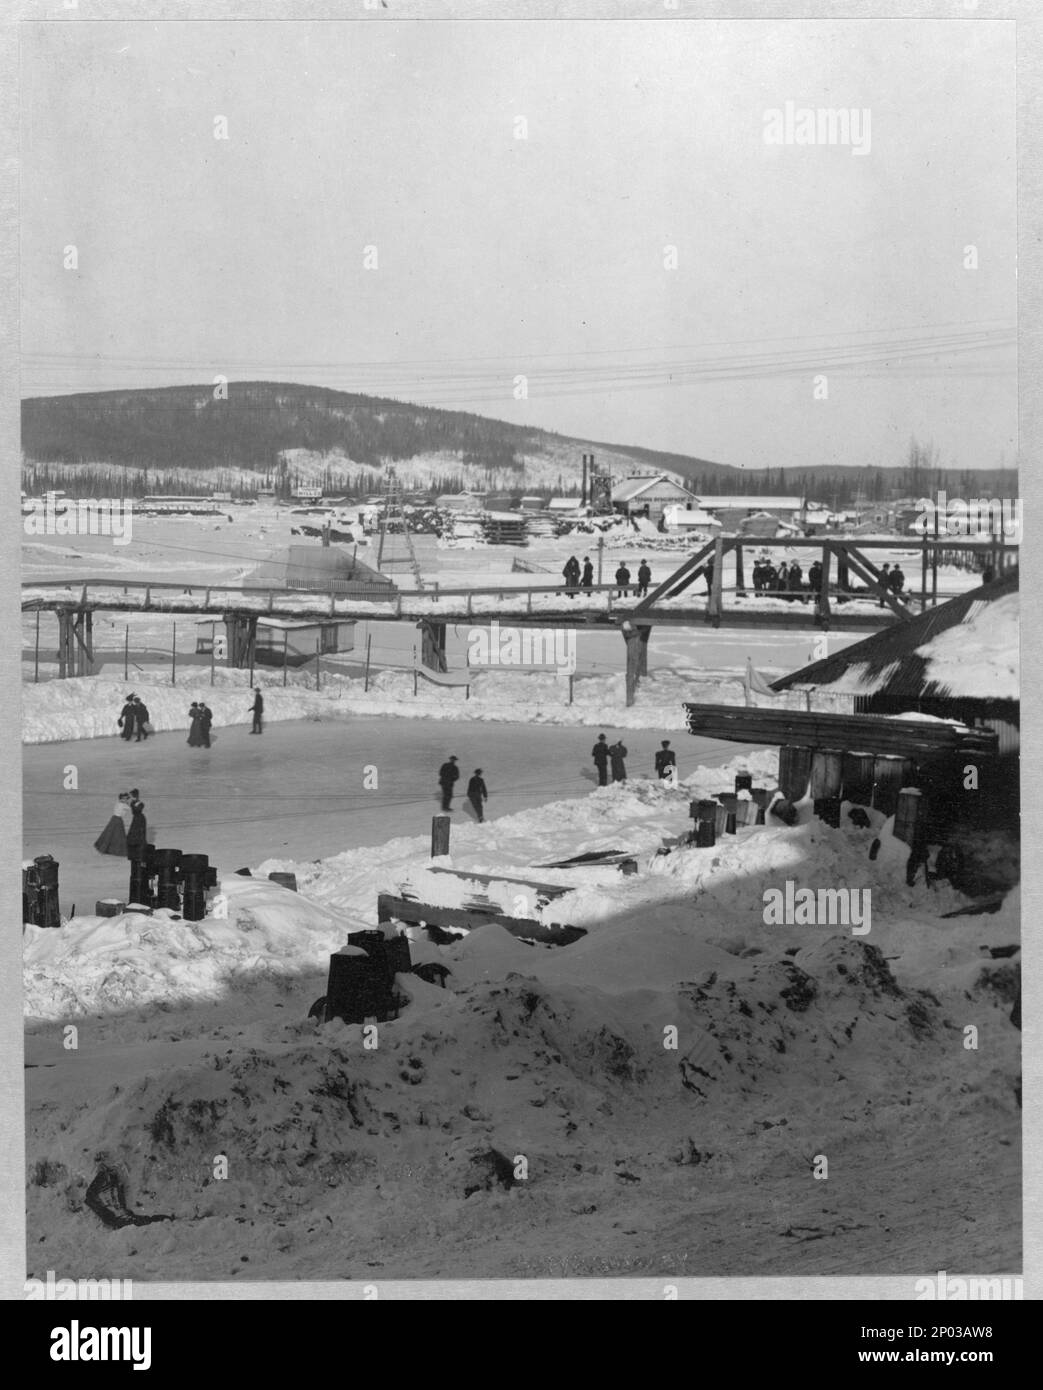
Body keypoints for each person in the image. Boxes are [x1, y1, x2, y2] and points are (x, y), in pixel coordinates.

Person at [94, 791, 132, 857]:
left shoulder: (118, 803)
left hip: (113, 819)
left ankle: (102, 848)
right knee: (119, 835)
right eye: (124, 798)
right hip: (118, 820)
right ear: (121, 799)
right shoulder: (123, 805)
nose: (125, 800)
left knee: (109, 834)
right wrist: (128, 802)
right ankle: (117, 850)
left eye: (126, 798)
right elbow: (130, 808)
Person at [126, 791, 147, 861]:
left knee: (140, 834)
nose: (131, 797)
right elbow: (134, 810)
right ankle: (133, 853)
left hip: (140, 819)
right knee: (133, 834)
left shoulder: (140, 803)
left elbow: (138, 809)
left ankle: (140, 853)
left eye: (131, 796)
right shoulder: (133, 803)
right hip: (136, 819)